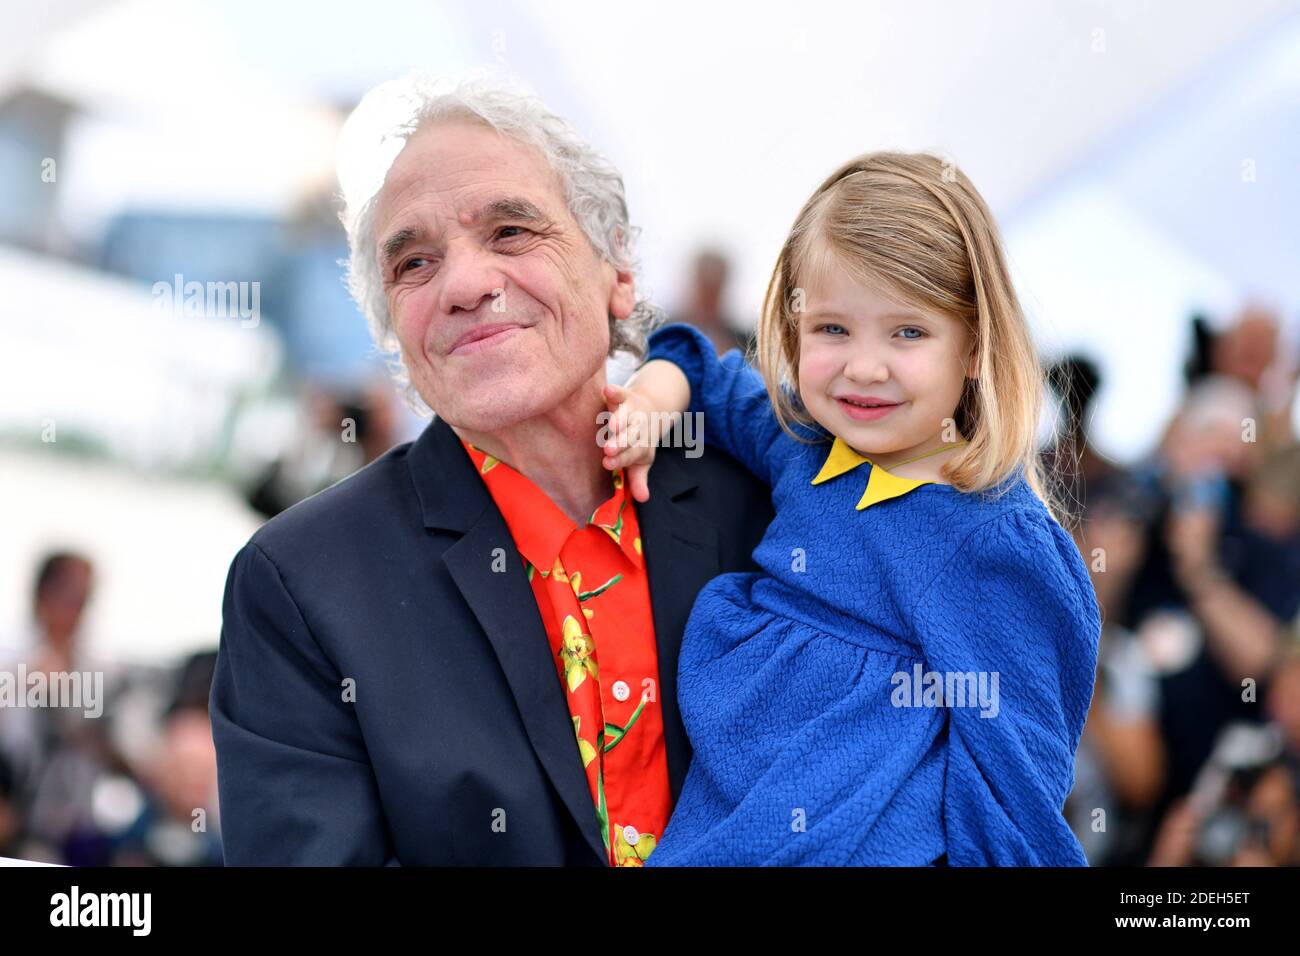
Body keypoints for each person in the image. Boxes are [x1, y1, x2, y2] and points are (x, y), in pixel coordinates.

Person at [208, 75, 773, 866]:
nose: (467, 285)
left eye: (510, 231)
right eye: (414, 263)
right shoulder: (302, 586)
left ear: (618, 271)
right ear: (392, 330)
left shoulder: (767, 507)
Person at [602, 152, 1101, 865]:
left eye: (908, 332)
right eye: (832, 329)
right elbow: (702, 367)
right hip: (729, 825)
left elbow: (1015, 790)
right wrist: (652, 401)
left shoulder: (996, 539)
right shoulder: (802, 439)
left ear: (974, 346)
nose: (864, 367)